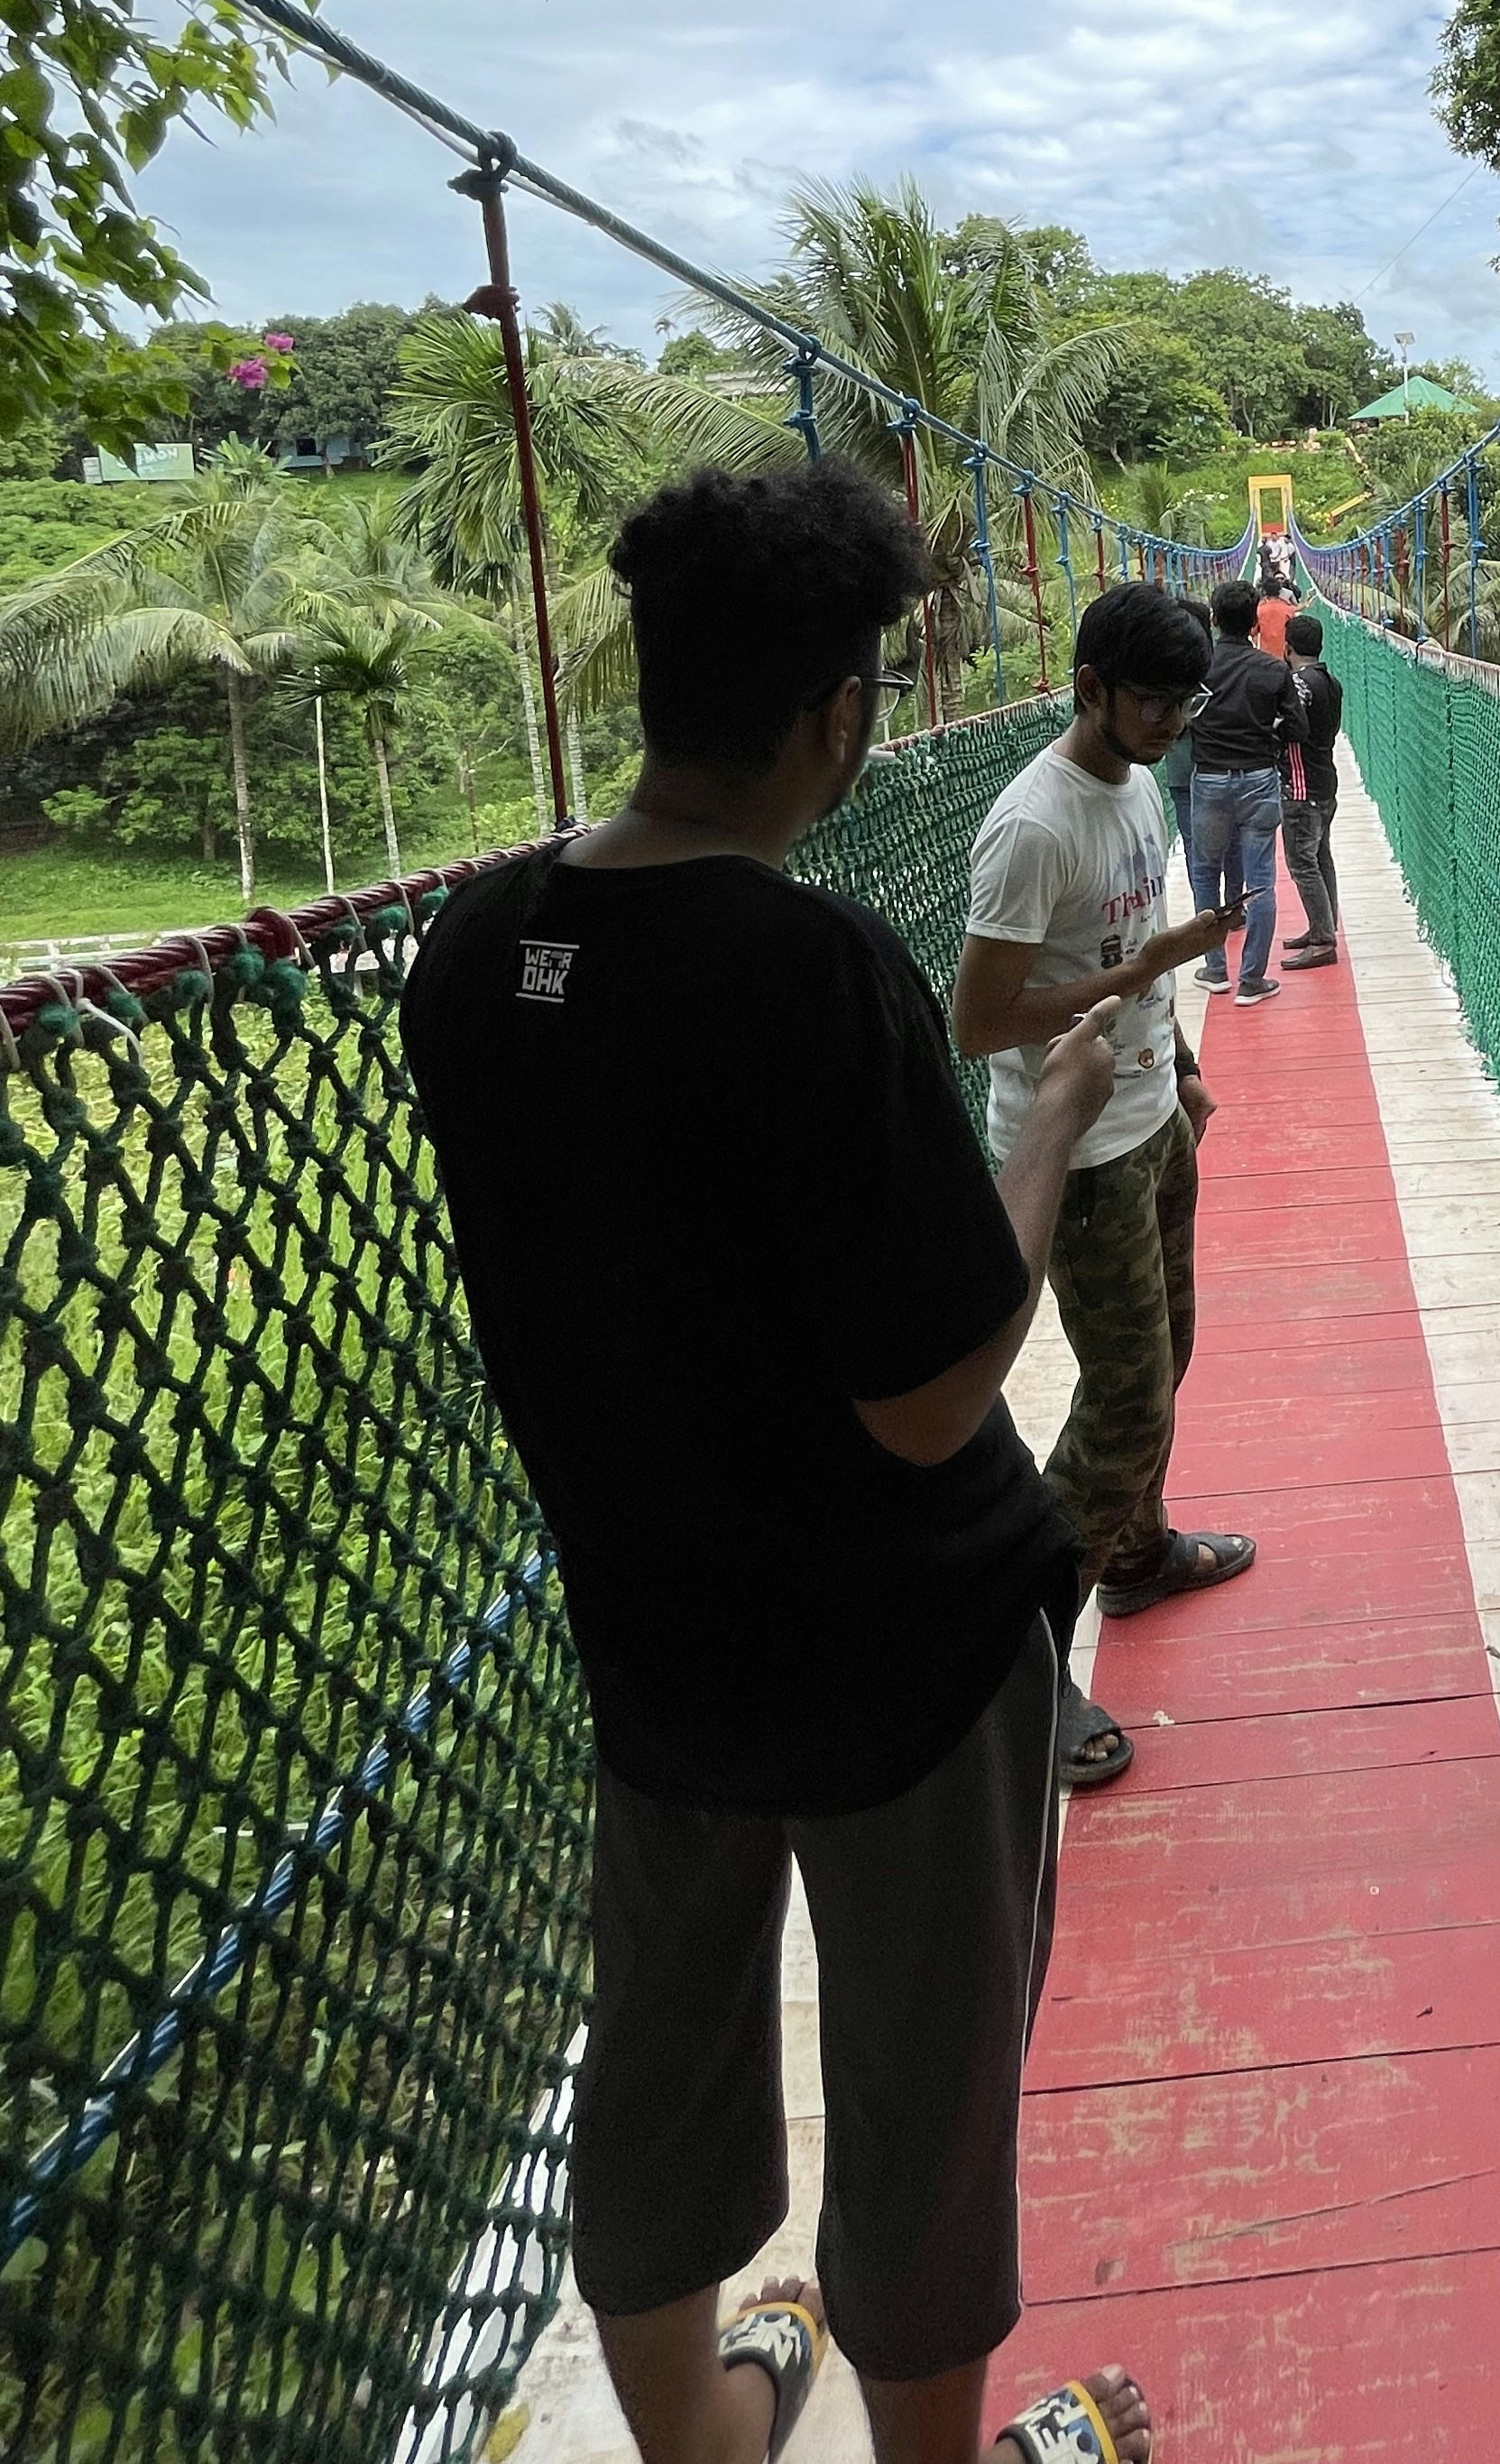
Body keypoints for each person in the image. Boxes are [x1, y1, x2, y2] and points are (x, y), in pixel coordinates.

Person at [401, 463, 1155, 2464]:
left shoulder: (474, 955)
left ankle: (702, 2441)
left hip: (654, 1640)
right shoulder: (815, 974)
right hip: (900, 1656)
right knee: (920, 2101)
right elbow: (927, 1390)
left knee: (658, 2070)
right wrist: (1047, 1123)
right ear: (836, 715)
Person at [954, 583, 1255, 1791]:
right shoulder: (1034, 825)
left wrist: (1177, 1064)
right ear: (1088, 689)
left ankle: (1134, 1556)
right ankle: (1022, 1662)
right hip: (1073, 1155)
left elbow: (1132, 965)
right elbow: (979, 1021)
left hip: (1148, 1121)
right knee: (1126, 1400)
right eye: (1152, 701)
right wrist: (1136, 971)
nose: (1174, 723)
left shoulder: (1138, 783)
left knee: (1166, 1353)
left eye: (1186, 702)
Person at [1184, 577, 1306, 1006]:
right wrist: (1267, 734)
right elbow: (1298, 728)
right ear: (1255, 623)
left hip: (1211, 779)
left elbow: (1180, 720)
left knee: (1204, 874)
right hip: (1258, 778)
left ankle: (1216, 969)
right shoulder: (1273, 670)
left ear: (1214, 620)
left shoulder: (1197, 669)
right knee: (1261, 883)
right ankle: (1252, 980)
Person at [1278, 613, 1343, 971]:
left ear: (1287, 648)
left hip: (1301, 786)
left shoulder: (1298, 684)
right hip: (1326, 779)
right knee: (1321, 857)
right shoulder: (1331, 682)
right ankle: (1323, 926)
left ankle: (1322, 940)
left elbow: (1292, 728)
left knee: (1302, 863)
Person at [1159, 594, 1215, 911]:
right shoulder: (1217, 665)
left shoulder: (1165, 670)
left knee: (1195, 845)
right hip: (1216, 766)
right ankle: (1228, 906)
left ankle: (1206, 910)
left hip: (1181, 770)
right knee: (1227, 842)